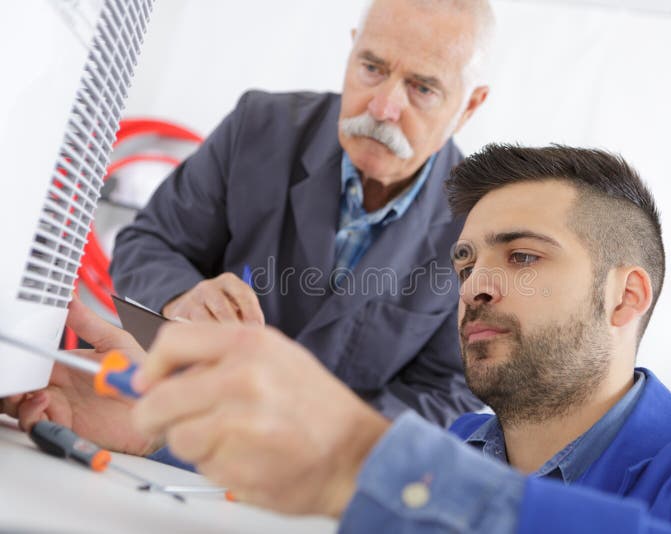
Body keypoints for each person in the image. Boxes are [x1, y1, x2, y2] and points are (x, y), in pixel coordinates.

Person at [7, 144, 671, 532]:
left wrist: (363, 460)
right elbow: (300, 468)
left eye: (522, 256)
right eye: (466, 261)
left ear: (626, 296)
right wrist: (155, 428)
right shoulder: (462, 446)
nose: (476, 284)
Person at [108, 0, 494, 425]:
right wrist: (183, 296)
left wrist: (331, 438)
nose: (382, 108)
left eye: (422, 89)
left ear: (469, 107)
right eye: (372, 68)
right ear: (352, 50)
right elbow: (146, 243)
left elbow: (446, 389)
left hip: (335, 461)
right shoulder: (258, 127)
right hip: (191, 419)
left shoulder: (480, 226)